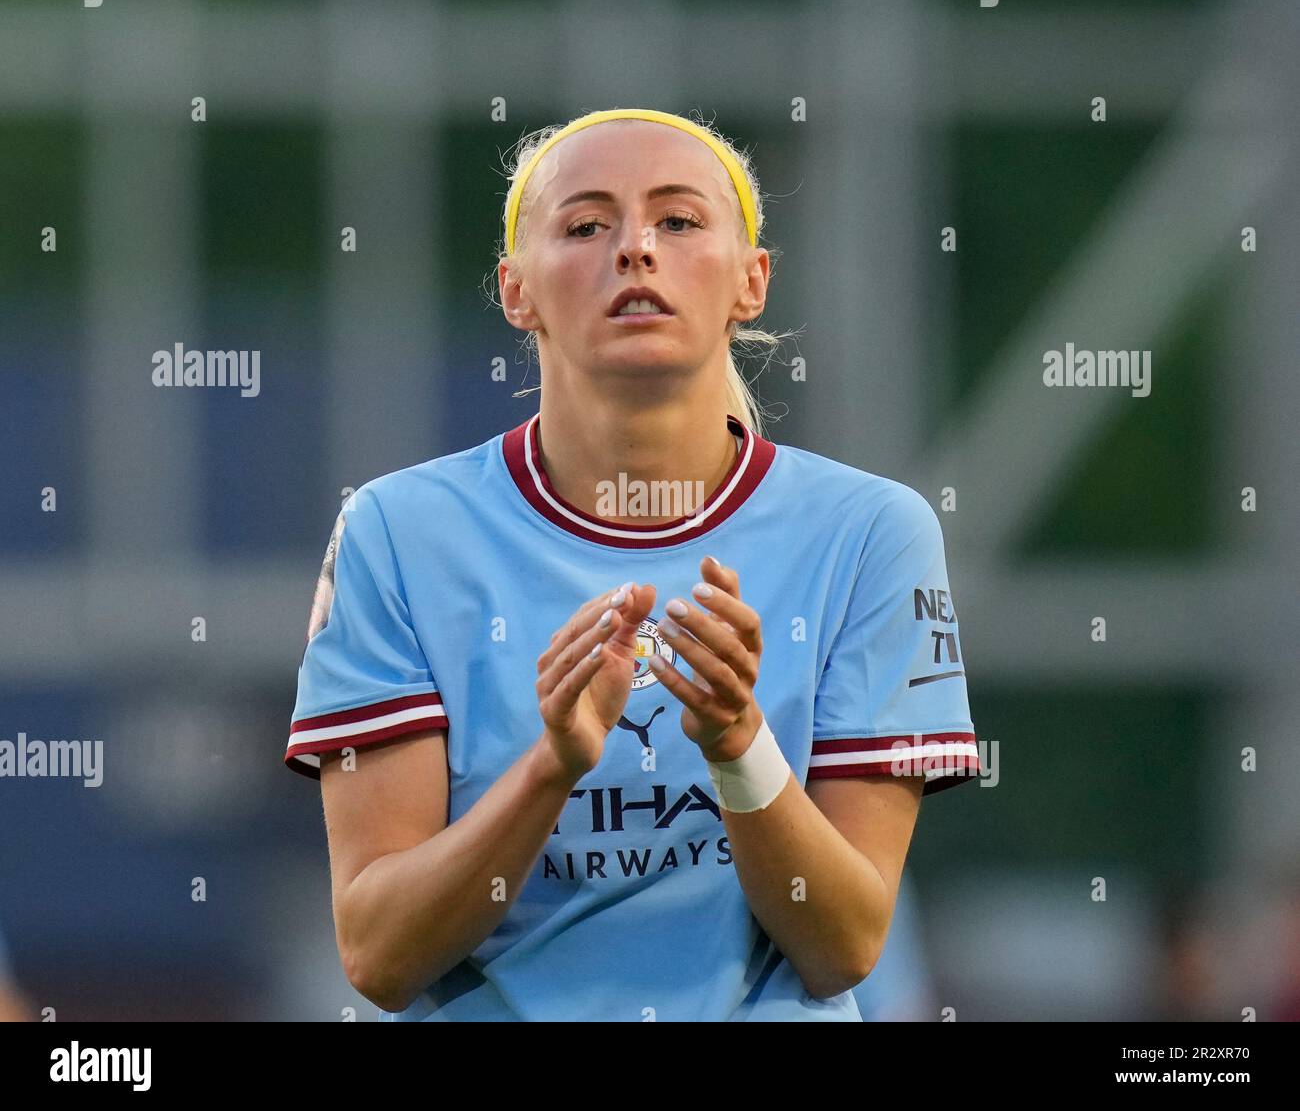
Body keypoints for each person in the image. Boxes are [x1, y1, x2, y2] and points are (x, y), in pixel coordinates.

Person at [284, 107, 980, 1021]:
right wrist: (552, 765)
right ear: (514, 290)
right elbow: (377, 952)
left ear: (752, 280)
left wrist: (738, 744)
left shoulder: (871, 531)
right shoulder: (395, 531)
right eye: (585, 225)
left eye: (680, 220)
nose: (636, 249)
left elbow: (843, 943)